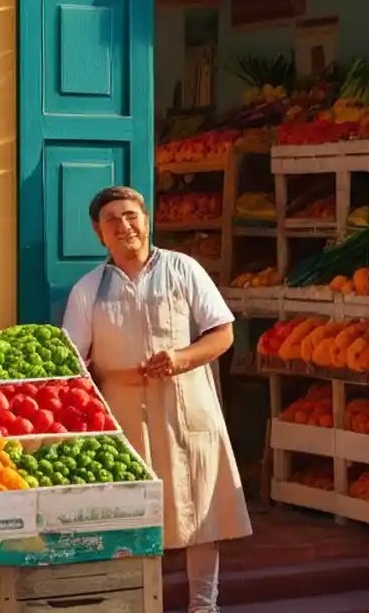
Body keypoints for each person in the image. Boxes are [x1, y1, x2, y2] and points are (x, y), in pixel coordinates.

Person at [62, 185, 251, 613]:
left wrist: (182, 358)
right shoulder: (89, 288)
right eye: (112, 220)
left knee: (200, 510)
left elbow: (223, 333)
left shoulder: (184, 269)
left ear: (146, 221)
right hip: (124, 413)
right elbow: (74, 360)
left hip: (188, 406)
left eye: (131, 215)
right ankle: (139, 603)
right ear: (99, 234)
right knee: (132, 513)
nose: (123, 225)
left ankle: (204, 606)